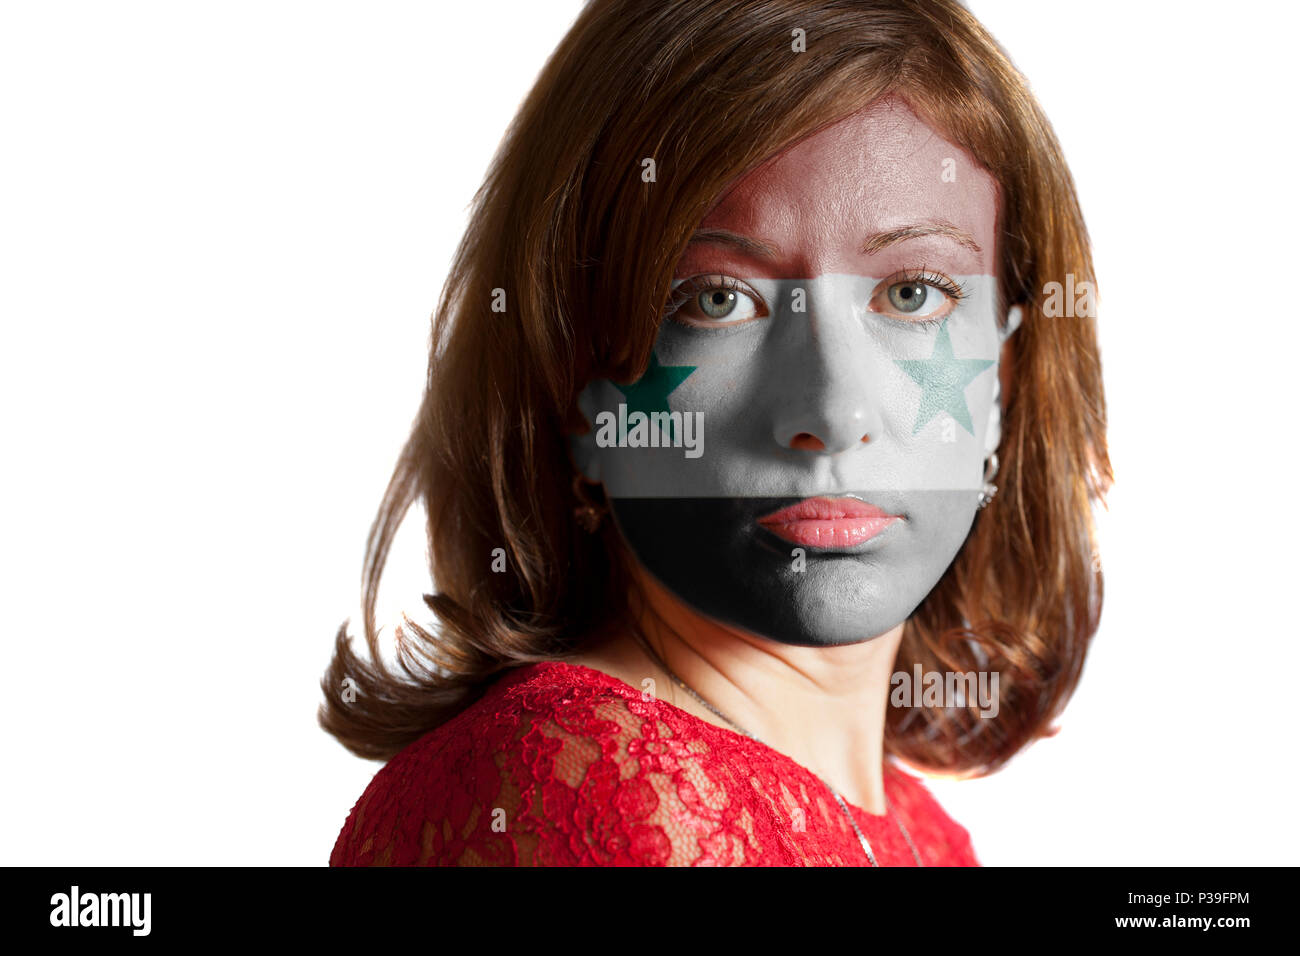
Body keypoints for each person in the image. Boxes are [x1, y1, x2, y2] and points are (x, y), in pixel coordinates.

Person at [320, 0, 1110, 866]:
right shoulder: (572, 787)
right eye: (718, 299)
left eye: (913, 293)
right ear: (581, 390)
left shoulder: (931, 838)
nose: (832, 412)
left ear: (1005, 371)